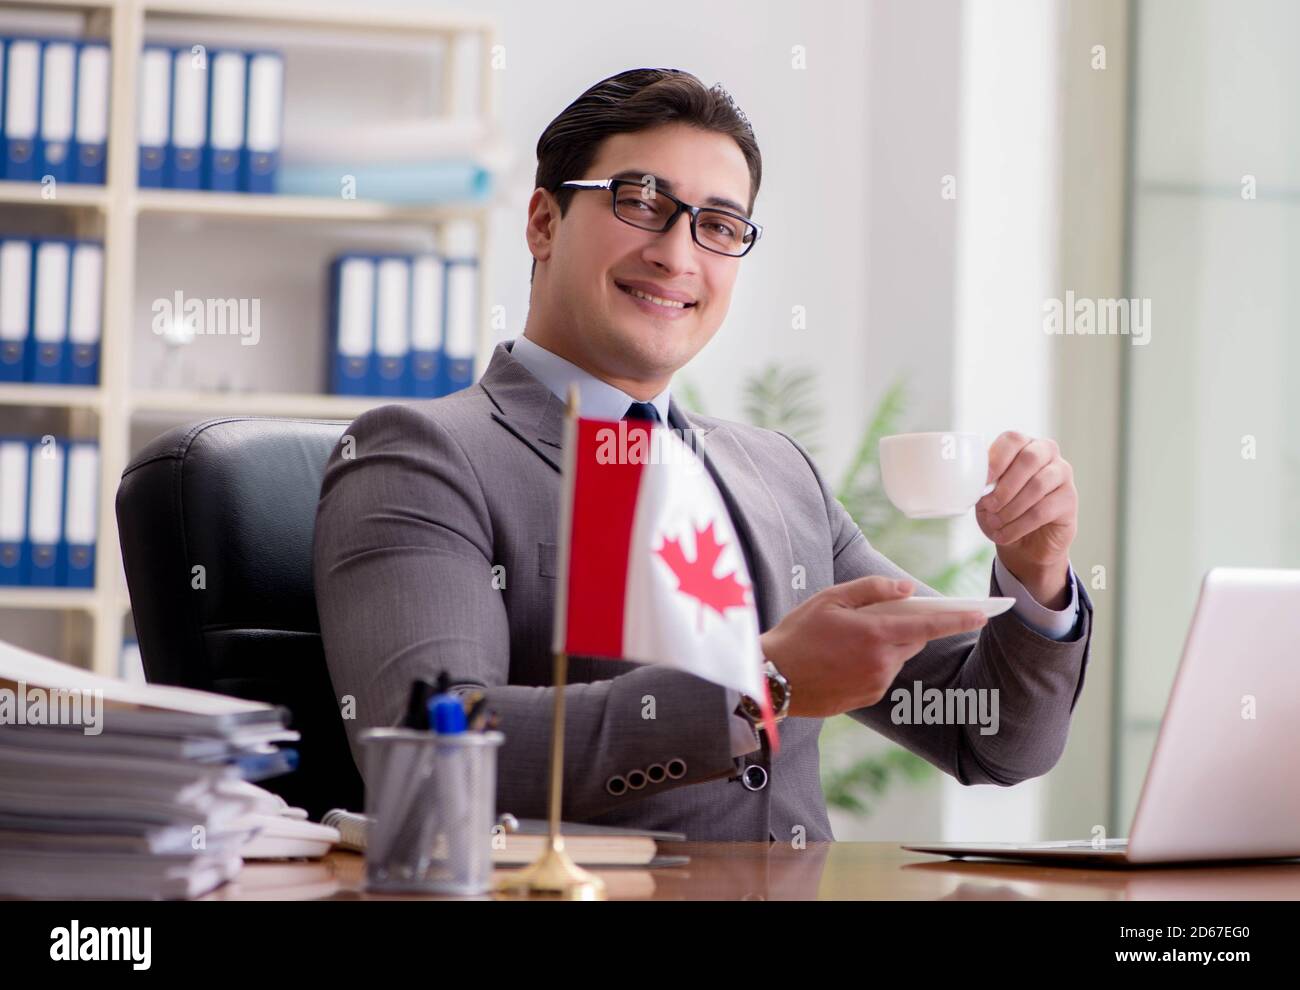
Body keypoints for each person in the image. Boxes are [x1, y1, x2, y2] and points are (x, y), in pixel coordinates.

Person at [313, 68, 1092, 842]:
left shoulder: (779, 474)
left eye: (718, 226)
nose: (677, 254)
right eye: (641, 201)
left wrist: (1035, 575)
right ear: (543, 223)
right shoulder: (422, 454)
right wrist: (765, 687)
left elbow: (992, 737)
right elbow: (427, 750)